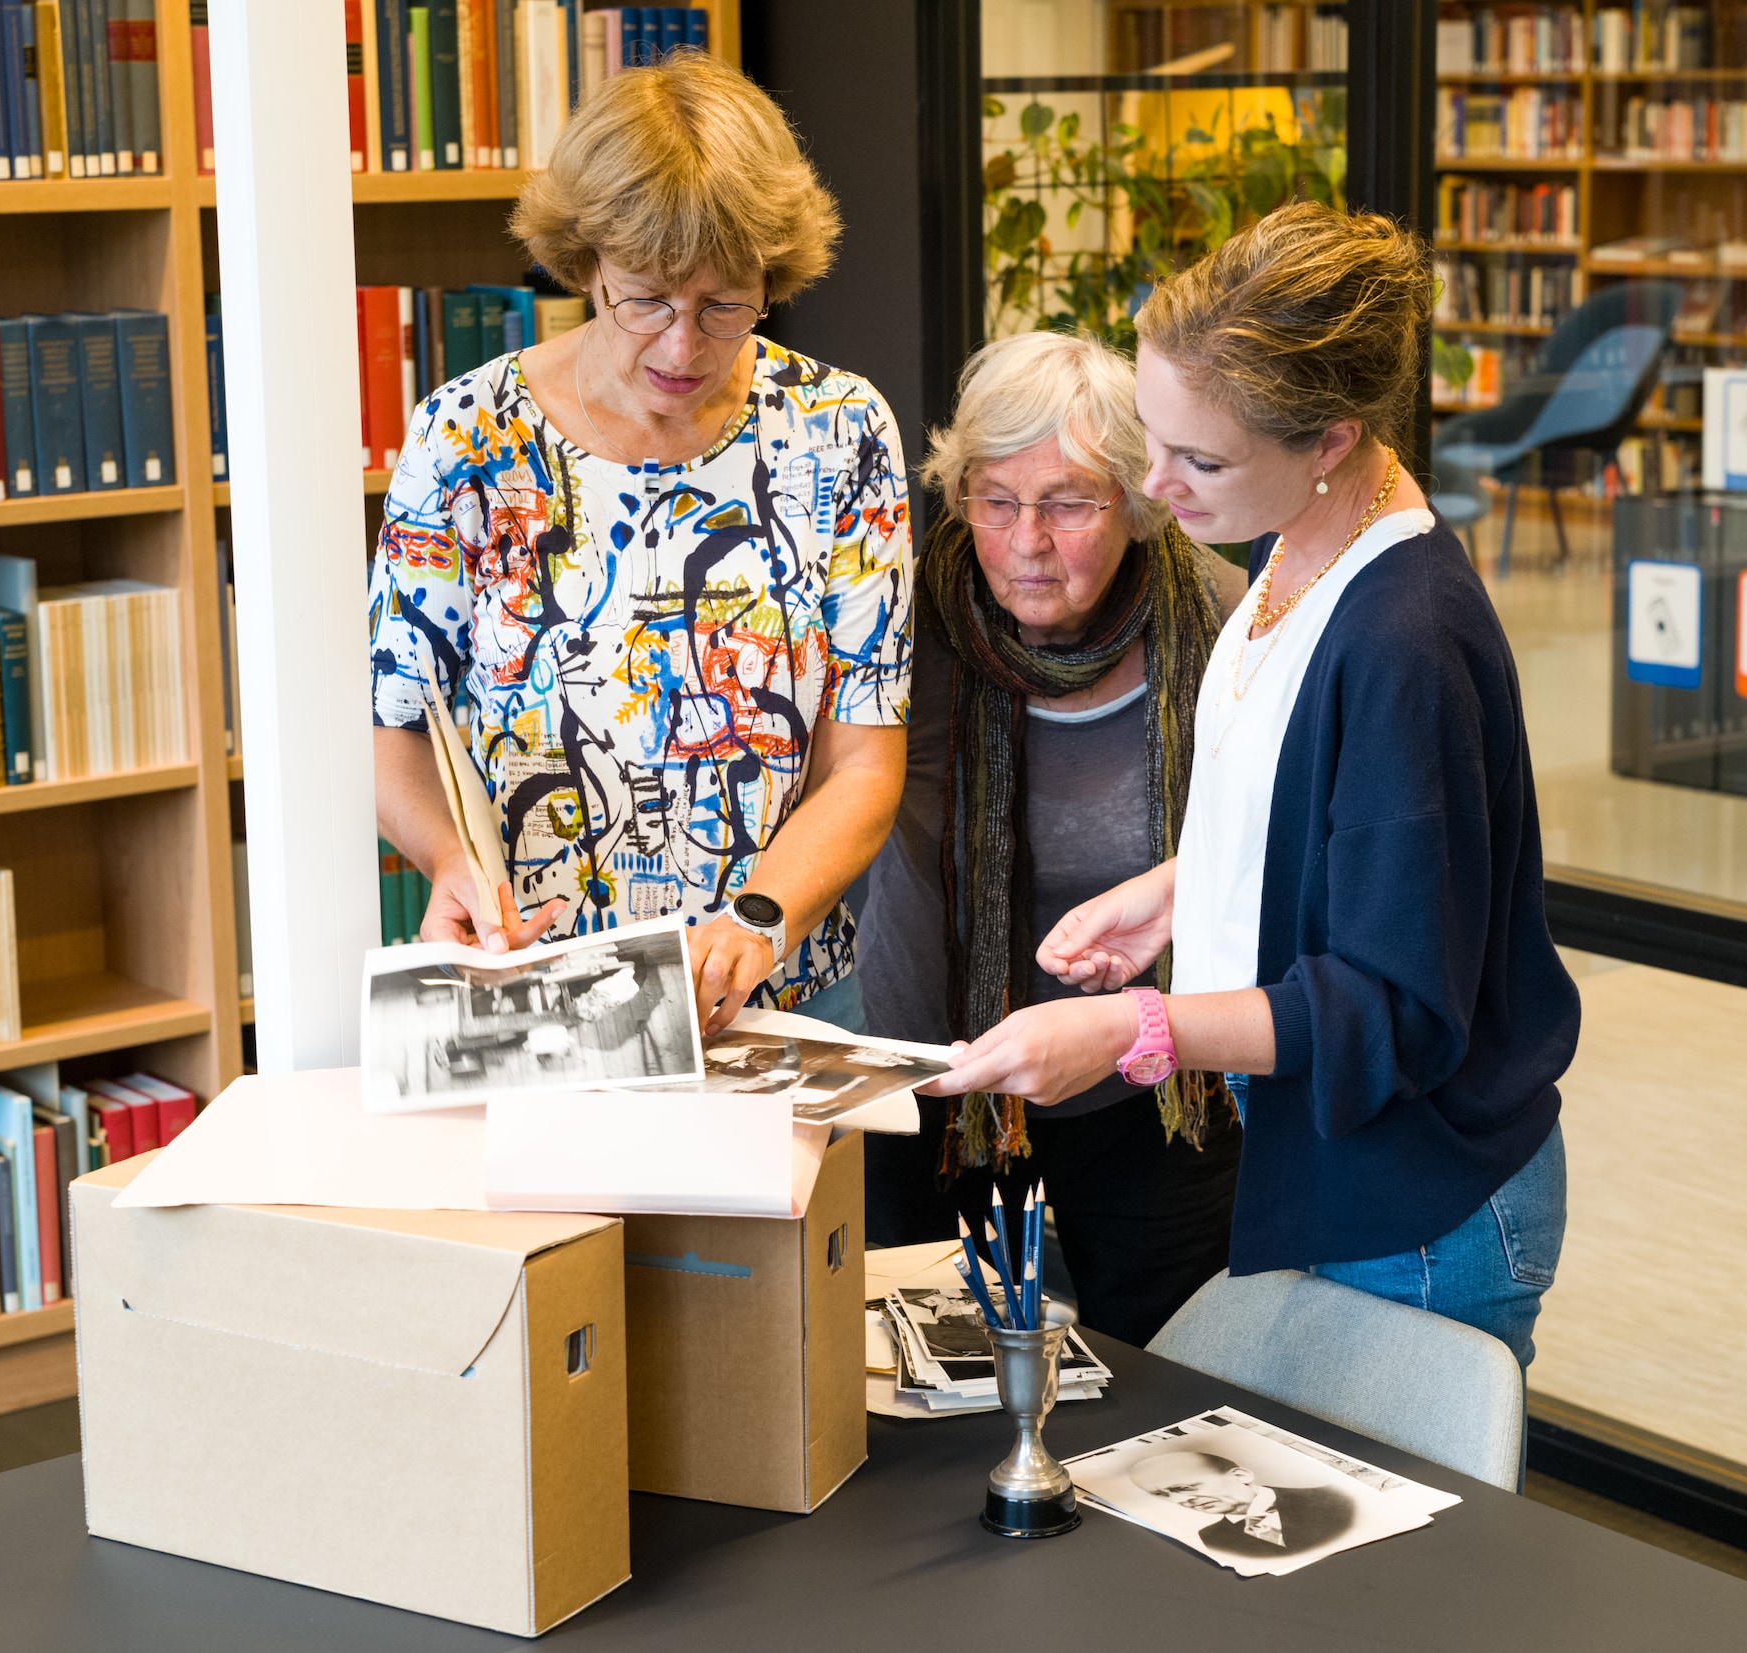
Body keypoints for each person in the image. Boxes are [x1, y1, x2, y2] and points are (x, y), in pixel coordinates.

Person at [923, 202, 1581, 1371]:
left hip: (1414, 1206)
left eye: (1199, 459)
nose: (1154, 488)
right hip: (1343, 1168)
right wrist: (1186, 890)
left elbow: (1391, 1009)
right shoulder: (1297, 547)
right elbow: (1333, 821)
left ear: (1329, 438)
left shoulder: (1399, 641)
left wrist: (1133, 1033)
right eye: (1153, 440)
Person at [368, 50, 911, 1036]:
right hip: (538, 993)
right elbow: (395, 727)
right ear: (581, 264)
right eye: (646, 299)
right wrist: (449, 860)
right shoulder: (466, 437)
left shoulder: (838, 429)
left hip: (777, 997)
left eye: (724, 306)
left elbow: (865, 761)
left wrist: (757, 920)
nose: (681, 347)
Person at [854, 331, 1247, 1347]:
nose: (1025, 539)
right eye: (993, 499)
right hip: (935, 1068)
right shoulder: (902, 618)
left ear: (1137, 500)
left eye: (1069, 503)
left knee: (1168, 1360)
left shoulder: (1212, 614)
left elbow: (1254, 840)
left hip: (1145, 1076)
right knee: (927, 1366)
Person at [1130, 1451, 1356, 1561]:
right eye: (1162, 1494)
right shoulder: (1213, 1538)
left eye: (1184, 1487)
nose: (1180, 1501)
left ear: (1241, 1475)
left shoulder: (1336, 1499)